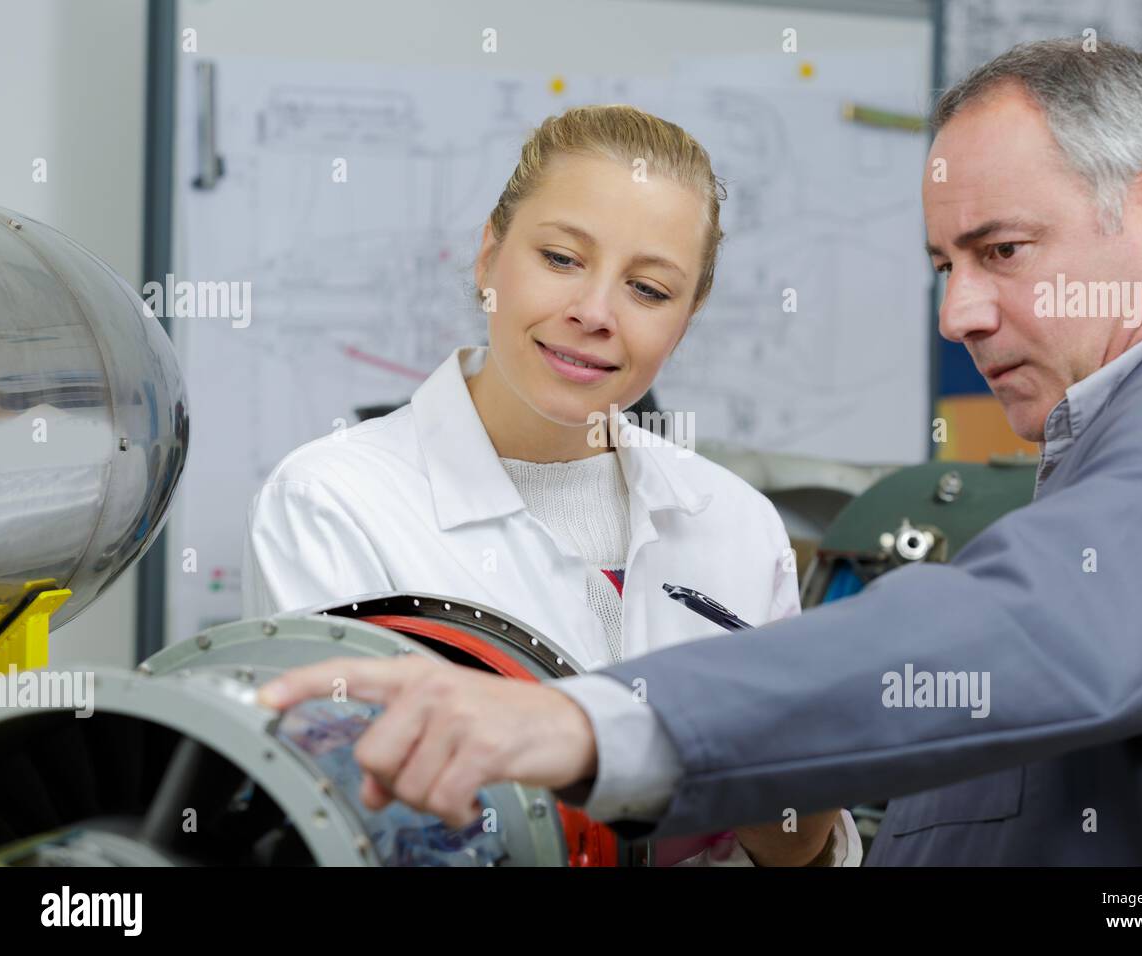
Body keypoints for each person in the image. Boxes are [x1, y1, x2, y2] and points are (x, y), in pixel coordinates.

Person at [260, 39, 1142, 865]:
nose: (957, 314)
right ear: (489, 252)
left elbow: (1045, 628)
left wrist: (586, 726)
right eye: (944, 264)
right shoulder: (334, 493)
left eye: (1000, 252)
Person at [242, 104, 860, 866]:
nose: (594, 312)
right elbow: (356, 831)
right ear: (488, 257)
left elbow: (791, 846)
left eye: (649, 289)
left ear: (687, 318)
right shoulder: (333, 501)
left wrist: (801, 798)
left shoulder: (737, 521)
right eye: (562, 259)